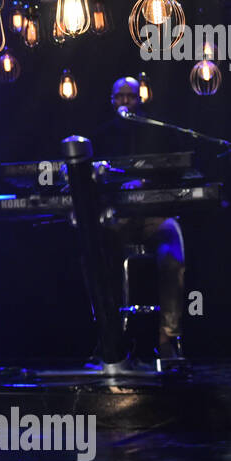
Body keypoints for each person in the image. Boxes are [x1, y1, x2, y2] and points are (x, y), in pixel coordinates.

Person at [93, 77, 185, 359]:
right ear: (111, 100)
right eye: (118, 97)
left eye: (129, 97)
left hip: (155, 216)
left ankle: (167, 338)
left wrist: (144, 182)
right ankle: (109, 337)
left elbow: (175, 171)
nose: (124, 102)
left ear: (139, 99)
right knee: (95, 255)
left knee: (173, 256)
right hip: (118, 217)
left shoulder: (157, 131)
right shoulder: (103, 135)